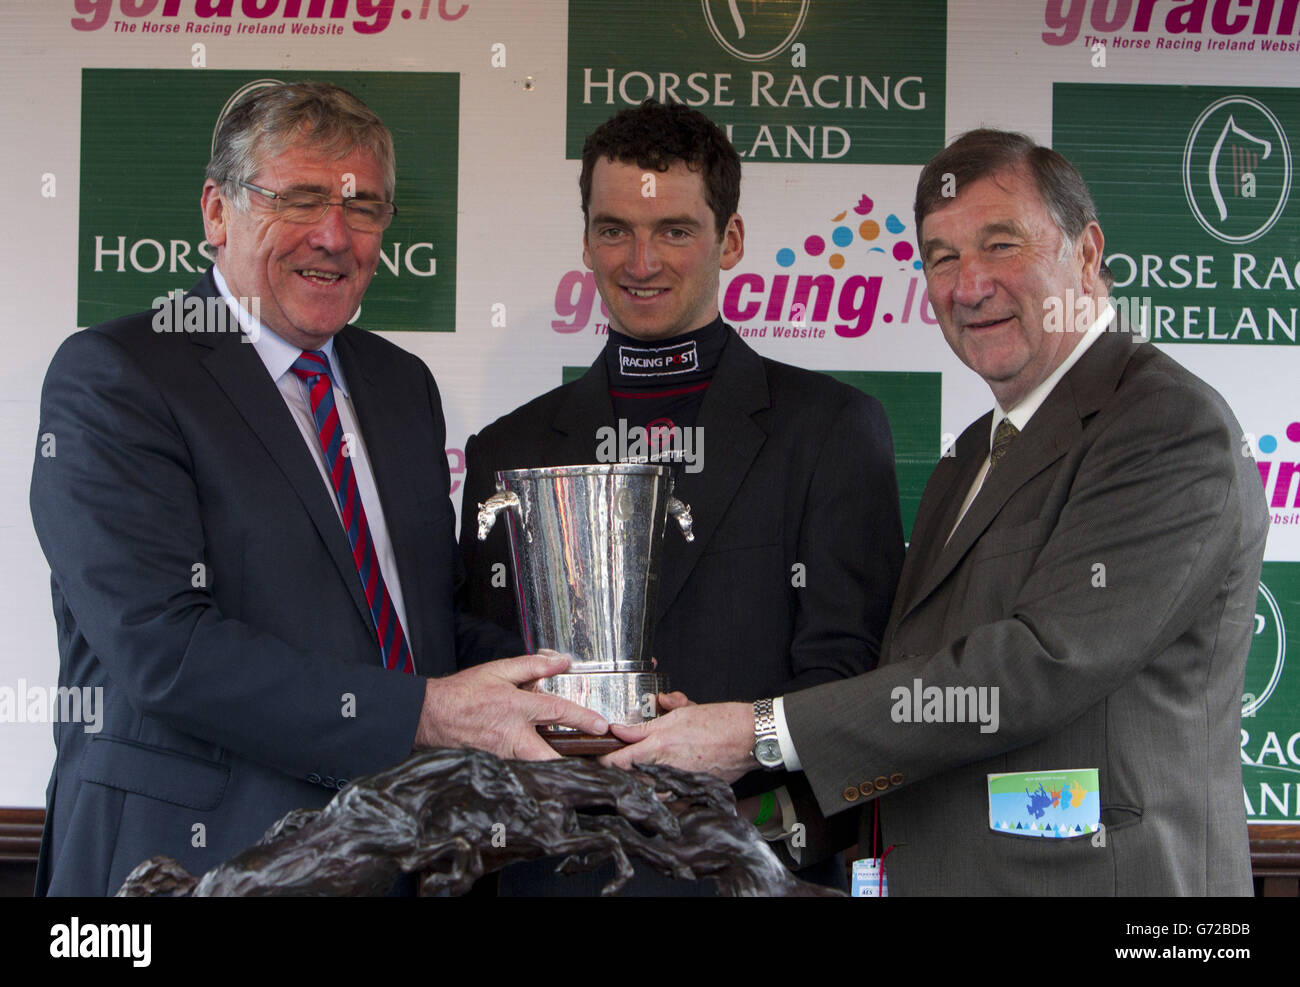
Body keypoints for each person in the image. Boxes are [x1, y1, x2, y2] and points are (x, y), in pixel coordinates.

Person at [605, 128, 1269, 896]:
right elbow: (910, 678)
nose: (969, 284)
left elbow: (1029, 670)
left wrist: (756, 731)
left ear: (1086, 254)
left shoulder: (1164, 423)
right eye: (942, 257)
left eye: (1001, 244)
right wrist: (733, 759)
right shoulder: (973, 453)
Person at [29, 81, 605, 897]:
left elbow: (419, 633)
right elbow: (164, 650)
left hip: (405, 855)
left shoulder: (400, 386)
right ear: (217, 212)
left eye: (363, 207)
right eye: (299, 199)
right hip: (189, 865)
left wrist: (581, 687)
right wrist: (425, 714)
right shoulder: (117, 376)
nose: (333, 236)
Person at [458, 100, 905, 894]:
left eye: (674, 229)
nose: (641, 261)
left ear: (729, 240)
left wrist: (733, 776)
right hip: (556, 871)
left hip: (753, 864)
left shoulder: (831, 430)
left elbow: (849, 683)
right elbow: (483, 682)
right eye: (614, 229)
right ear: (586, 242)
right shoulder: (509, 451)